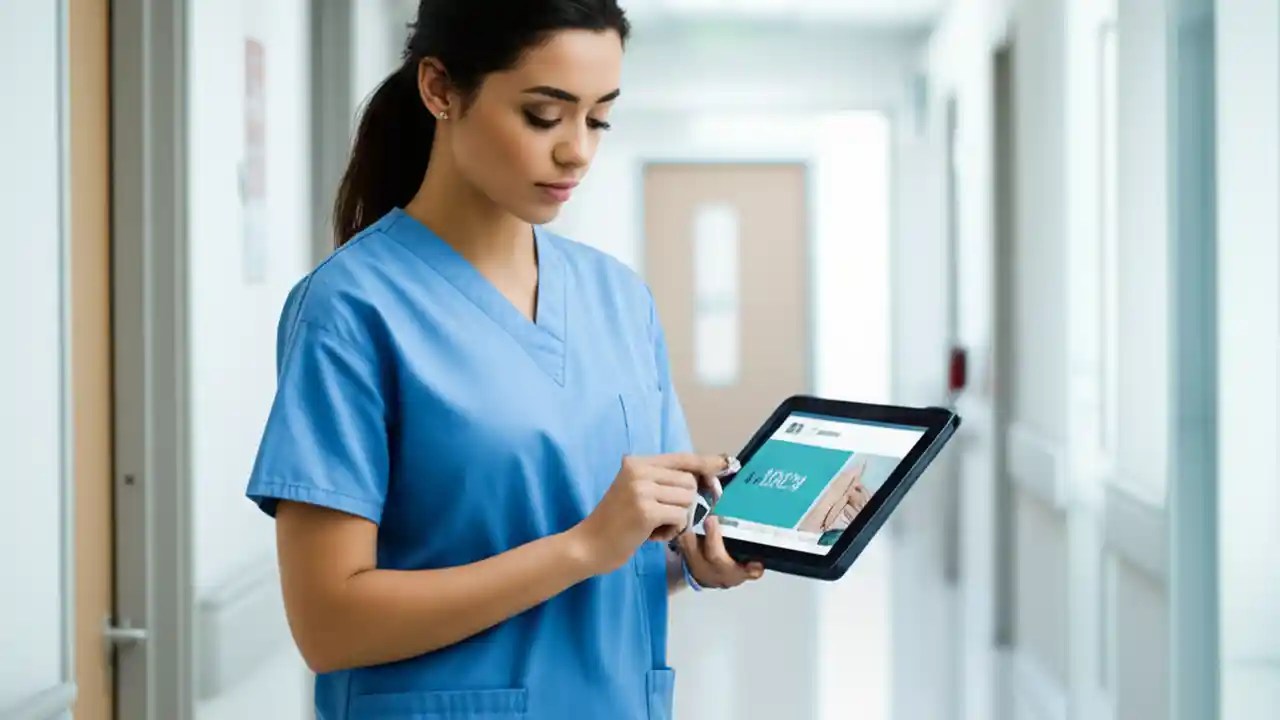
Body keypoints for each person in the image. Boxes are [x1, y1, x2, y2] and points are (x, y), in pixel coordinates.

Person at [244, 2, 764, 718]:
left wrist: (699, 560)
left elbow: (629, 553)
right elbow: (329, 625)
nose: (577, 150)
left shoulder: (618, 299)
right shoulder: (351, 310)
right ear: (440, 90)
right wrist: (581, 547)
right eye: (545, 116)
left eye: (599, 118)